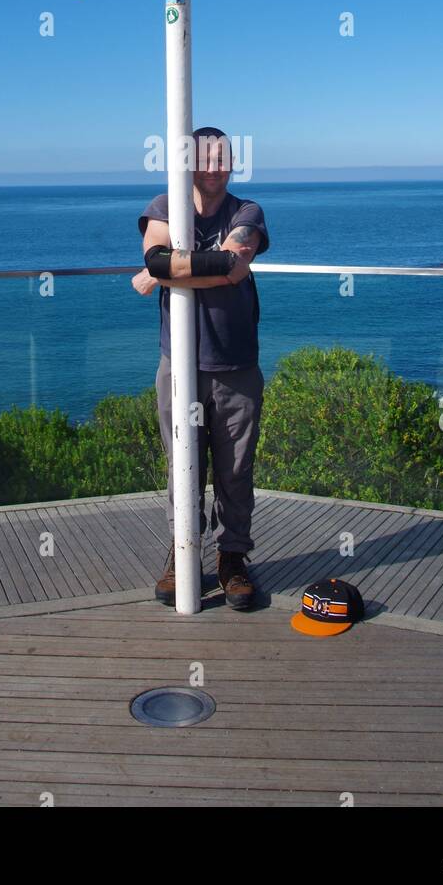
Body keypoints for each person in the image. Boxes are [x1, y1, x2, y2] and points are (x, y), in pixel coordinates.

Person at [132, 127, 269, 610]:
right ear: (188, 162)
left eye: (222, 158)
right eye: (204, 158)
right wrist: (166, 267)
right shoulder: (163, 206)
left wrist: (168, 272)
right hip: (179, 366)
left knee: (235, 470)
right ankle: (183, 550)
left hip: (237, 366)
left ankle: (232, 558)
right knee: (182, 468)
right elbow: (157, 258)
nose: (214, 167)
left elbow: (231, 263)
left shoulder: (247, 212)